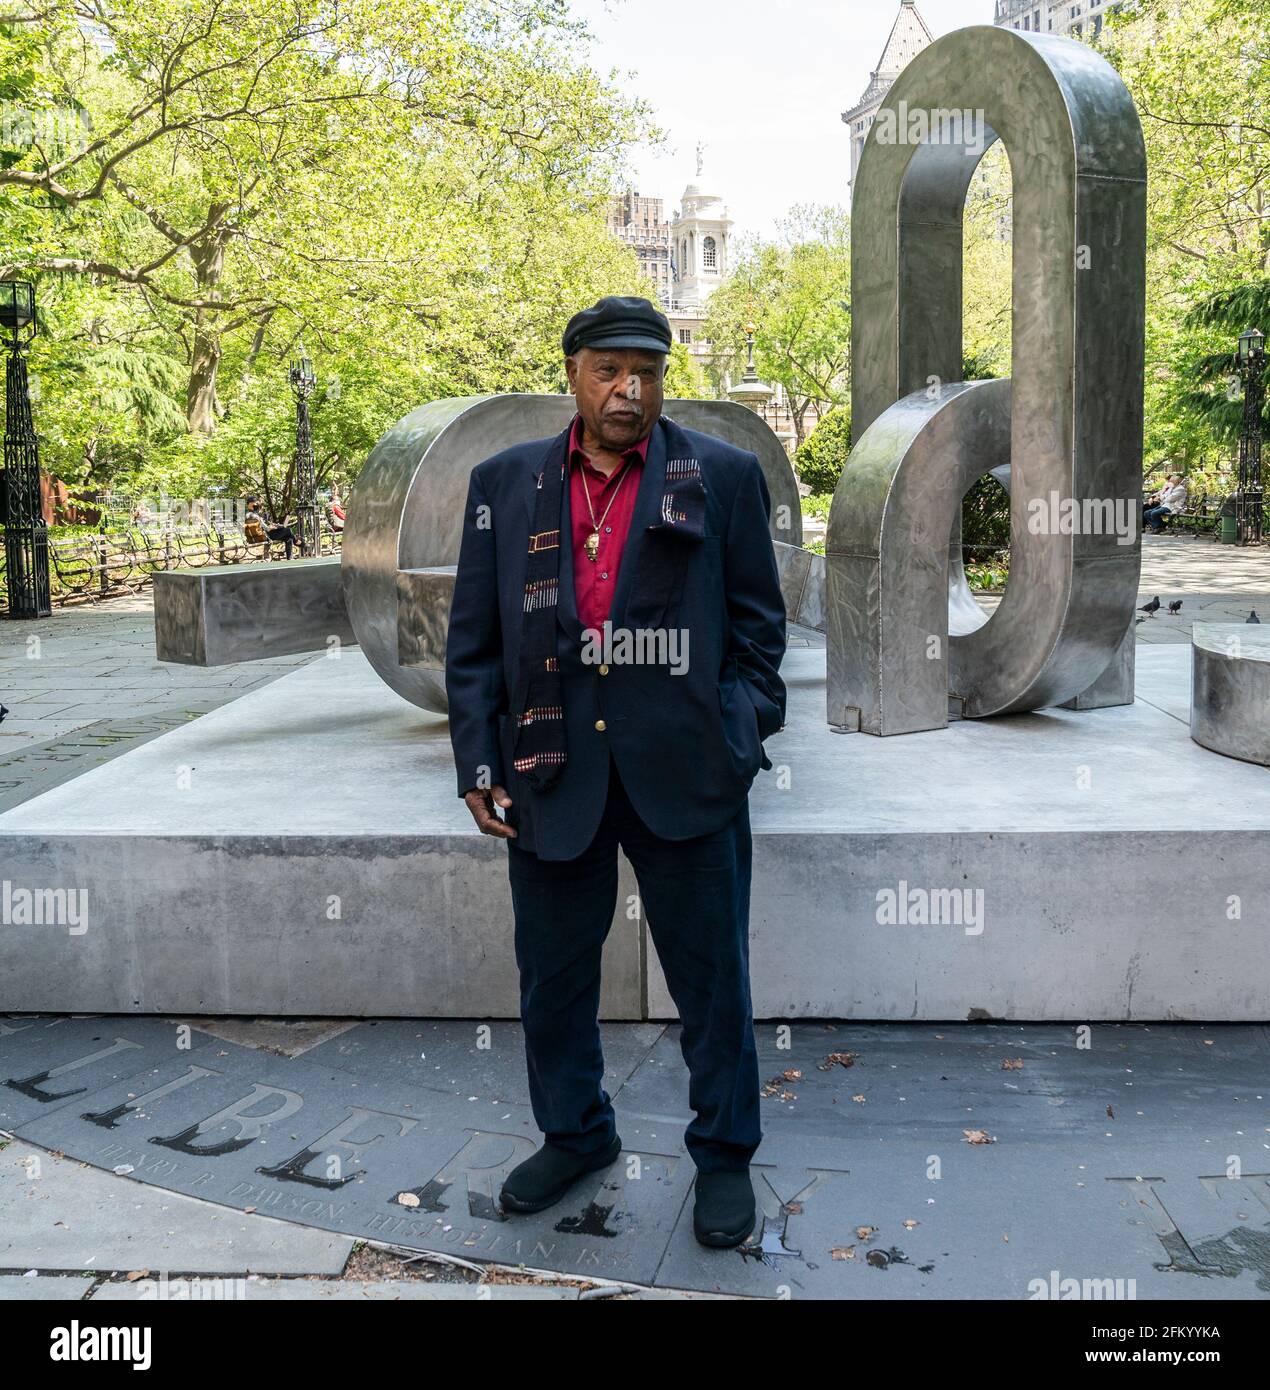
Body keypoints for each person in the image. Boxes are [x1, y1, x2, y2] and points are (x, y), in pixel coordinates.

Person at [446, 294, 787, 1249]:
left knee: (714, 984)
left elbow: (762, 632)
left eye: (645, 372)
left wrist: (741, 730)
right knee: (553, 983)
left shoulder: (717, 476)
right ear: (574, 374)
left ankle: (723, 1158)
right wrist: (480, 758)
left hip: (689, 776)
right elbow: (472, 640)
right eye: (607, 370)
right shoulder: (504, 483)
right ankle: (577, 1134)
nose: (627, 390)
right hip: (554, 774)